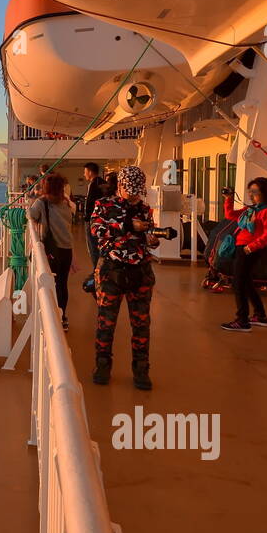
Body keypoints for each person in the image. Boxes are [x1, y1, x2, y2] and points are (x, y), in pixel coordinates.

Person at [89, 165, 159, 390]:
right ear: (120, 186)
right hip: (112, 271)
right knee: (105, 322)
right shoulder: (103, 205)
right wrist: (128, 225)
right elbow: (96, 230)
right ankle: (102, 365)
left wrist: (152, 239)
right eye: (131, 190)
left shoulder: (145, 209)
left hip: (140, 272)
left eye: (138, 191)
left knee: (141, 324)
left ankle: (141, 369)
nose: (135, 195)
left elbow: (148, 234)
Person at [220, 176, 267, 332]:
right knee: (246, 283)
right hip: (242, 248)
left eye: (254, 191)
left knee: (238, 284)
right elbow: (230, 215)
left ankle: (242, 320)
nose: (251, 195)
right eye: (250, 191)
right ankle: (260, 316)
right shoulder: (251, 209)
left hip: (249, 250)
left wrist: (251, 247)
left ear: (264, 193)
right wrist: (228, 199)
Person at [27, 173, 75, 331]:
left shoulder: (42, 202)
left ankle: (50, 316)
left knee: (49, 283)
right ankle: (63, 317)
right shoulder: (67, 202)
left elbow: (30, 215)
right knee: (62, 283)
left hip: (51, 250)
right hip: (66, 249)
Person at [81, 162, 108, 289]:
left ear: (90, 172)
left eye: (85, 171)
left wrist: (87, 217)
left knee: (93, 247)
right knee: (97, 246)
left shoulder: (95, 184)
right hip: (99, 220)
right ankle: (98, 270)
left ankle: (96, 272)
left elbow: (92, 203)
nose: (84, 174)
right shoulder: (100, 182)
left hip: (93, 221)